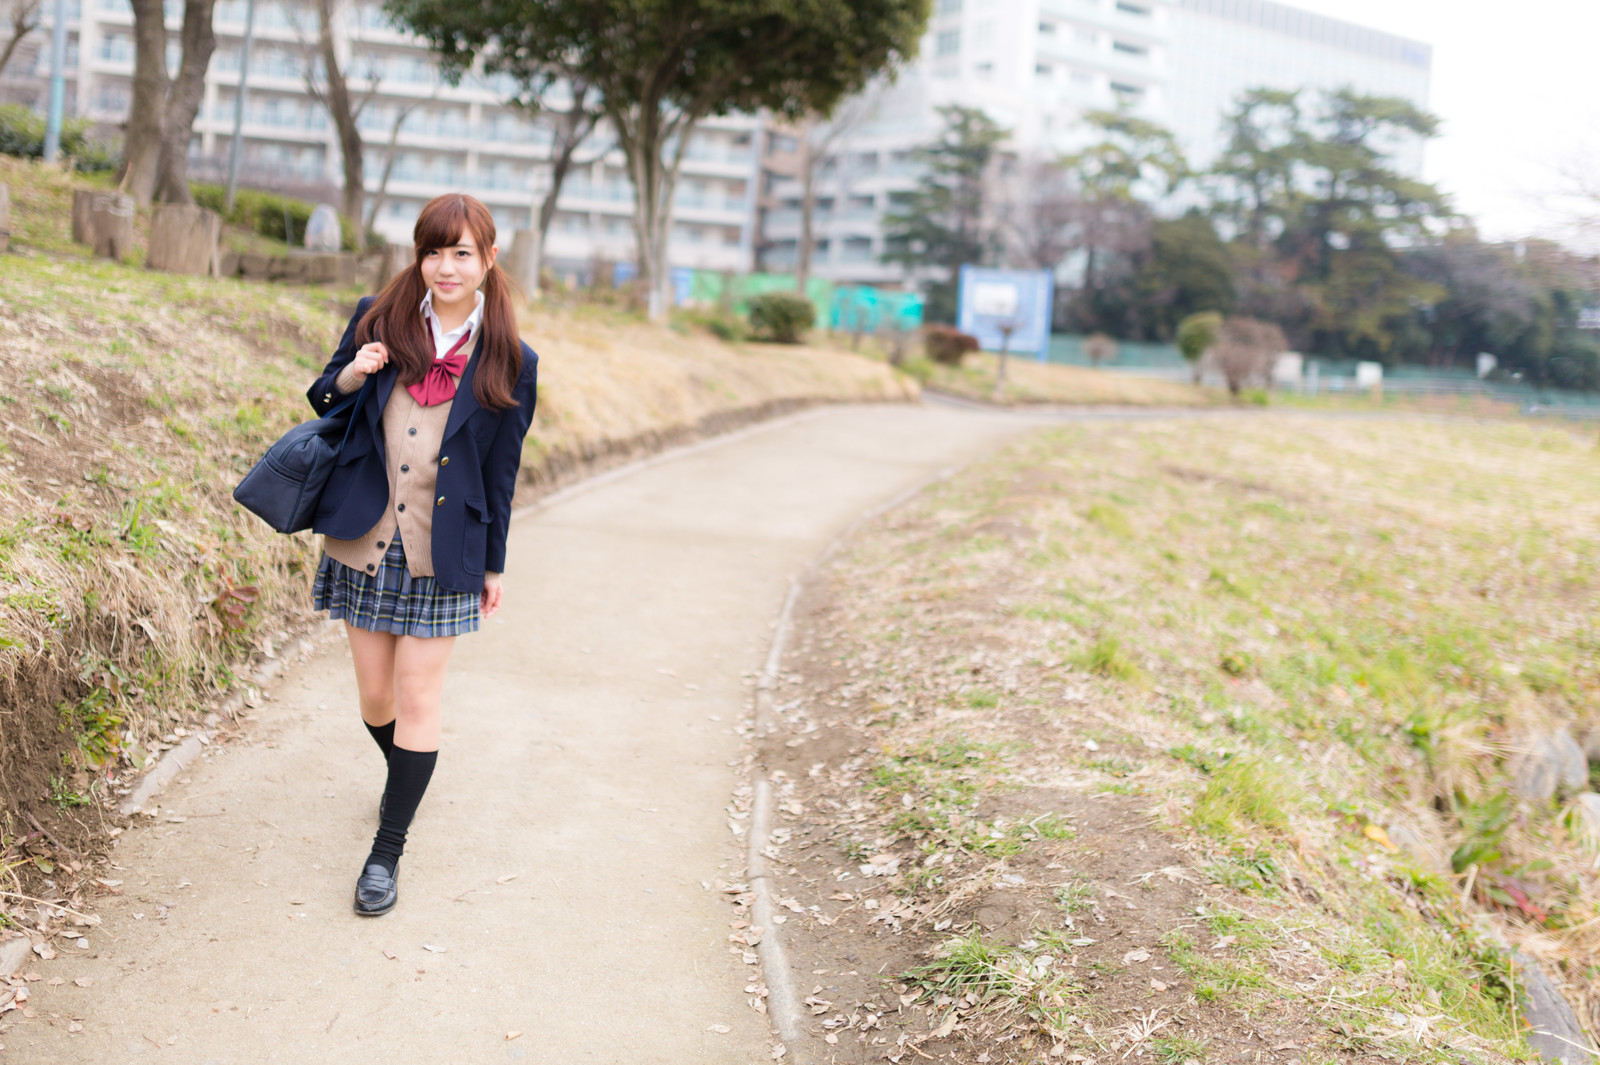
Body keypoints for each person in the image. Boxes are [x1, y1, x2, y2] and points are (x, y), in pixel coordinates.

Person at [304, 193, 538, 916]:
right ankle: (405, 770)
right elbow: (323, 396)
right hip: (366, 536)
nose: (446, 266)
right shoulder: (380, 318)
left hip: (447, 549)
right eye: (434, 251)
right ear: (420, 255)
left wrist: (493, 565)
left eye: (462, 252)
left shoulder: (510, 359)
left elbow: (503, 472)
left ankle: (387, 848)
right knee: (375, 696)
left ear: (487, 262)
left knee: (417, 697)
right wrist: (354, 372)